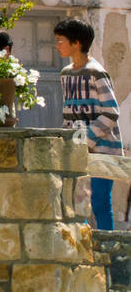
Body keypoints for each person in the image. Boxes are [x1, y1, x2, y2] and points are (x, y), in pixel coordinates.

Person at [54, 18, 123, 231]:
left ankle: (108, 254)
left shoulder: (96, 73)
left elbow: (111, 112)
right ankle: (84, 254)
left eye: (61, 40)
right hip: (77, 150)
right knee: (78, 205)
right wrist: (69, 143)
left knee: (101, 203)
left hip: (102, 150)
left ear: (77, 43)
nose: (57, 45)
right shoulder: (65, 73)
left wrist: (87, 140)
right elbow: (69, 114)